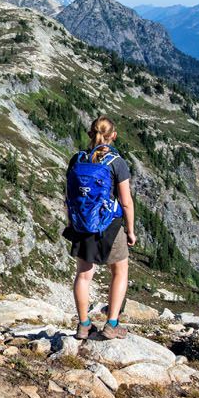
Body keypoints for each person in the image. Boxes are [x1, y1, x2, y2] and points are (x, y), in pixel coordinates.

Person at [64, 116, 136, 340]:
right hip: (110, 226)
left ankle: (84, 325)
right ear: (113, 135)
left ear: (90, 133)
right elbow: (125, 202)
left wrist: (73, 221)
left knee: (84, 275)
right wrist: (131, 230)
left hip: (83, 224)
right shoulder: (116, 162)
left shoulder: (77, 159)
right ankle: (112, 324)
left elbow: (68, 196)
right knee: (119, 271)